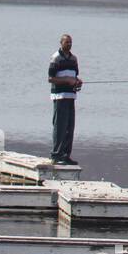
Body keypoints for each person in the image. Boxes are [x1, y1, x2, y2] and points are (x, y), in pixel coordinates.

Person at [47, 33, 81, 165]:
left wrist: (77, 82)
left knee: (69, 127)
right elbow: (51, 79)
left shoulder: (74, 59)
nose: (69, 44)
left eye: (70, 42)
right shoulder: (56, 58)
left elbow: (74, 76)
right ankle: (56, 155)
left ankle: (66, 155)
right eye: (67, 42)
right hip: (59, 97)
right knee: (59, 127)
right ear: (61, 43)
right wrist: (67, 80)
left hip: (71, 97)